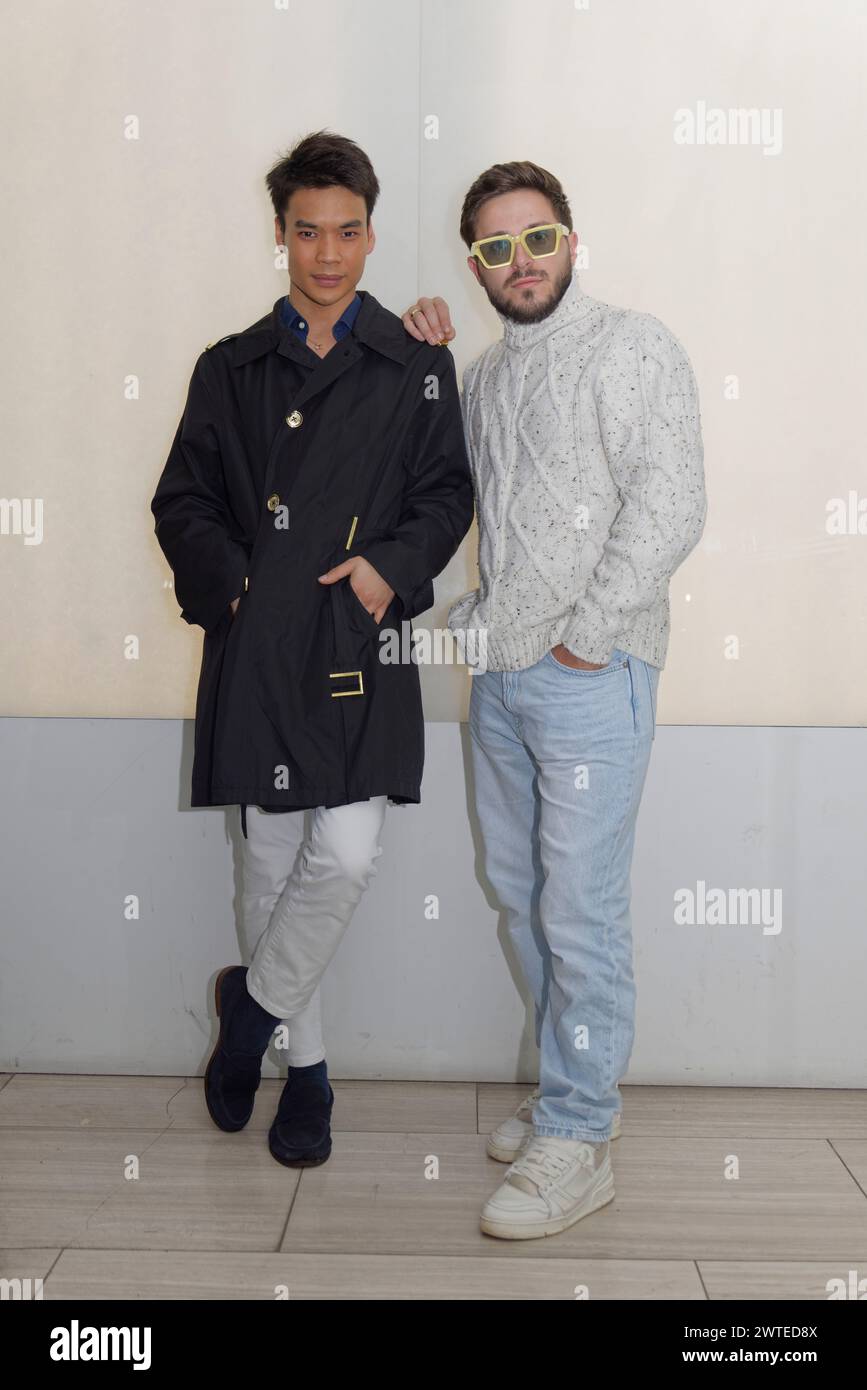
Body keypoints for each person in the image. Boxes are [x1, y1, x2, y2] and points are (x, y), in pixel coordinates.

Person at [150, 130, 473, 1169]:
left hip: (360, 638)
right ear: (279, 234)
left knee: (345, 852)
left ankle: (249, 1015)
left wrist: (389, 567)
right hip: (261, 645)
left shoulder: (416, 360)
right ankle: (311, 1068)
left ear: (373, 235)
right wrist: (235, 582)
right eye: (305, 232)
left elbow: (446, 493)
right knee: (272, 861)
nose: (326, 254)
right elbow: (182, 499)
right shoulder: (231, 366)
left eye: (346, 232)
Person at [402, 160, 706, 1239]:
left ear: (571, 241)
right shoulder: (482, 377)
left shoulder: (633, 346)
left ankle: (581, 1135)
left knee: (580, 912)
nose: (518, 262)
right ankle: (569, 1100)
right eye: (494, 248)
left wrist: (585, 637)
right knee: (523, 891)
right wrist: (415, 349)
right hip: (502, 679)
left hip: (593, 675)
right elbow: (461, 505)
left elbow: (671, 505)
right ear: (477, 264)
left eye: (536, 239)